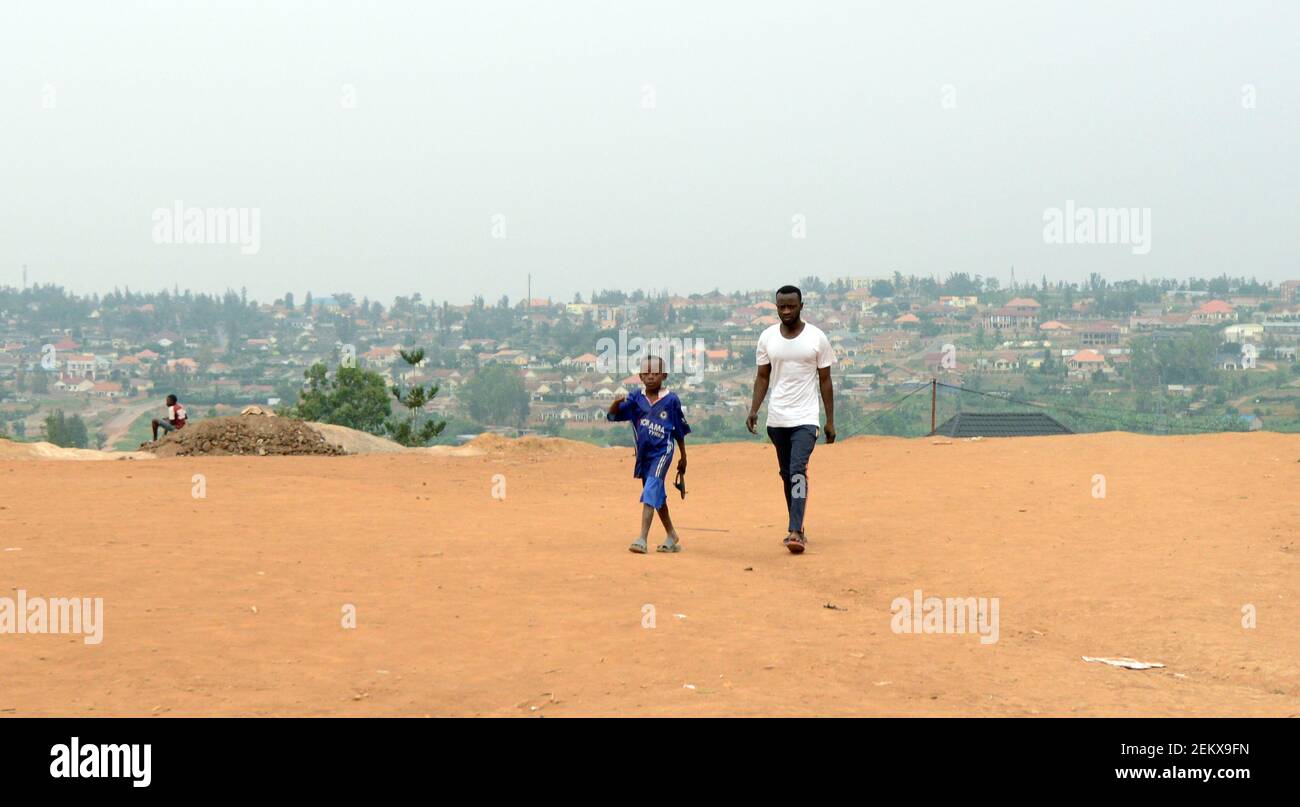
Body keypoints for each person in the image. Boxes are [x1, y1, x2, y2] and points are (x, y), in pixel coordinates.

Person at [745, 285, 836, 554]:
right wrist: (754, 409)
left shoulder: (817, 338)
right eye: (781, 306)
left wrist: (830, 420)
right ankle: (797, 524)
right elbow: (762, 376)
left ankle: (795, 531)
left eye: (791, 306)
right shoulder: (767, 338)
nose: (786, 311)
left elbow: (825, 380)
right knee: (787, 474)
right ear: (776, 307)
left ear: (801, 306)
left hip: (806, 418)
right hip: (777, 418)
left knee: (797, 470)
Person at [608, 355, 691, 554]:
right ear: (640, 377)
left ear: (664, 375)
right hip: (644, 454)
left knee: (652, 487)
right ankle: (671, 535)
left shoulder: (671, 400)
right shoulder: (636, 398)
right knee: (656, 494)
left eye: (655, 373)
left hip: (663, 451)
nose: (651, 377)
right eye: (646, 374)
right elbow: (613, 415)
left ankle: (642, 538)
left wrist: (683, 456)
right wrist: (616, 403)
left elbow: (679, 430)